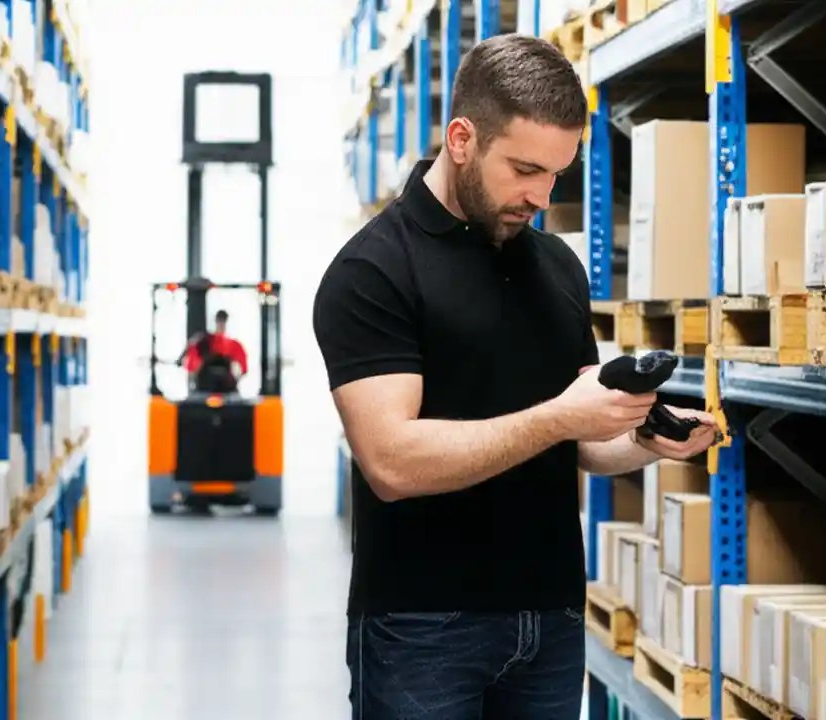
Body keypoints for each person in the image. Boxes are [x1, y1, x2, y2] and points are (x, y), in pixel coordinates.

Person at [311, 34, 718, 719]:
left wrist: (646, 440)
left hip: (551, 621)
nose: (541, 194)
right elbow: (390, 462)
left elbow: (581, 443)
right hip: (422, 627)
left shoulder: (556, 266)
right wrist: (560, 416)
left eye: (557, 173)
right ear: (462, 138)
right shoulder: (374, 272)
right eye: (525, 168)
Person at [183, 309, 248, 393]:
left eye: (223, 321)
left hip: (227, 390)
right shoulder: (200, 344)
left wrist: (235, 379)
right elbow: (191, 369)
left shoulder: (234, 345)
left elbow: (243, 369)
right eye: (219, 321)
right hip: (204, 390)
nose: (221, 324)